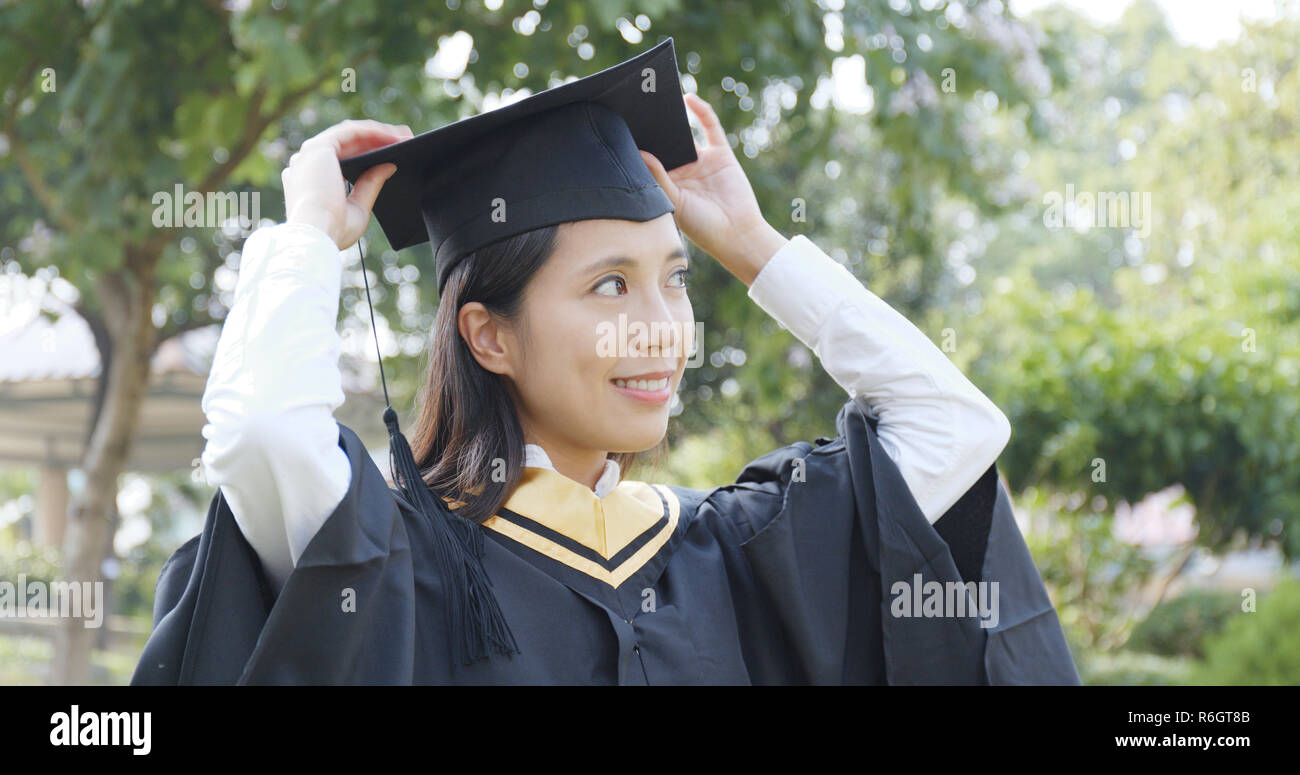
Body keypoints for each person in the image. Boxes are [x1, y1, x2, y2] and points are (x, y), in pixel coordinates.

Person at [132, 39, 1078, 685]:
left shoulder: (733, 551)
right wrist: (306, 240)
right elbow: (261, 432)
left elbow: (956, 425)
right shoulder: (389, 559)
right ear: (487, 336)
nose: (661, 328)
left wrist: (752, 245)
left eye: (674, 281)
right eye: (610, 287)